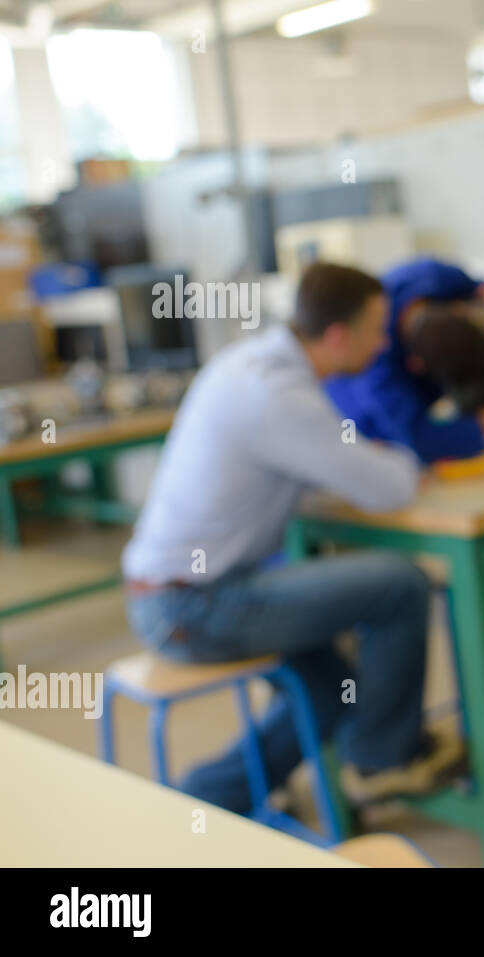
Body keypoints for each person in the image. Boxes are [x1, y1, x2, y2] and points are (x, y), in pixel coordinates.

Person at [122, 261, 462, 816]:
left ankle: (199, 804)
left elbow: (332, 464)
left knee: (328, 696)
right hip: (195, 604)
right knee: (399, 584)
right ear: (336, 335)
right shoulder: (276, 393)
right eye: (377, 330)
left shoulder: (253, 365)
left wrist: (362, 462)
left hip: (178, 592)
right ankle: (383, 761)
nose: (382, 345)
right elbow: (386, 488)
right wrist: (397, 462)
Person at [324, 256, 484, 462]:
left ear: (459, 309)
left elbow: (483, 288)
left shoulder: (433, 277)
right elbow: (421, 442)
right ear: (415, 365)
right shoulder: (375, 369)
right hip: (361, 431)